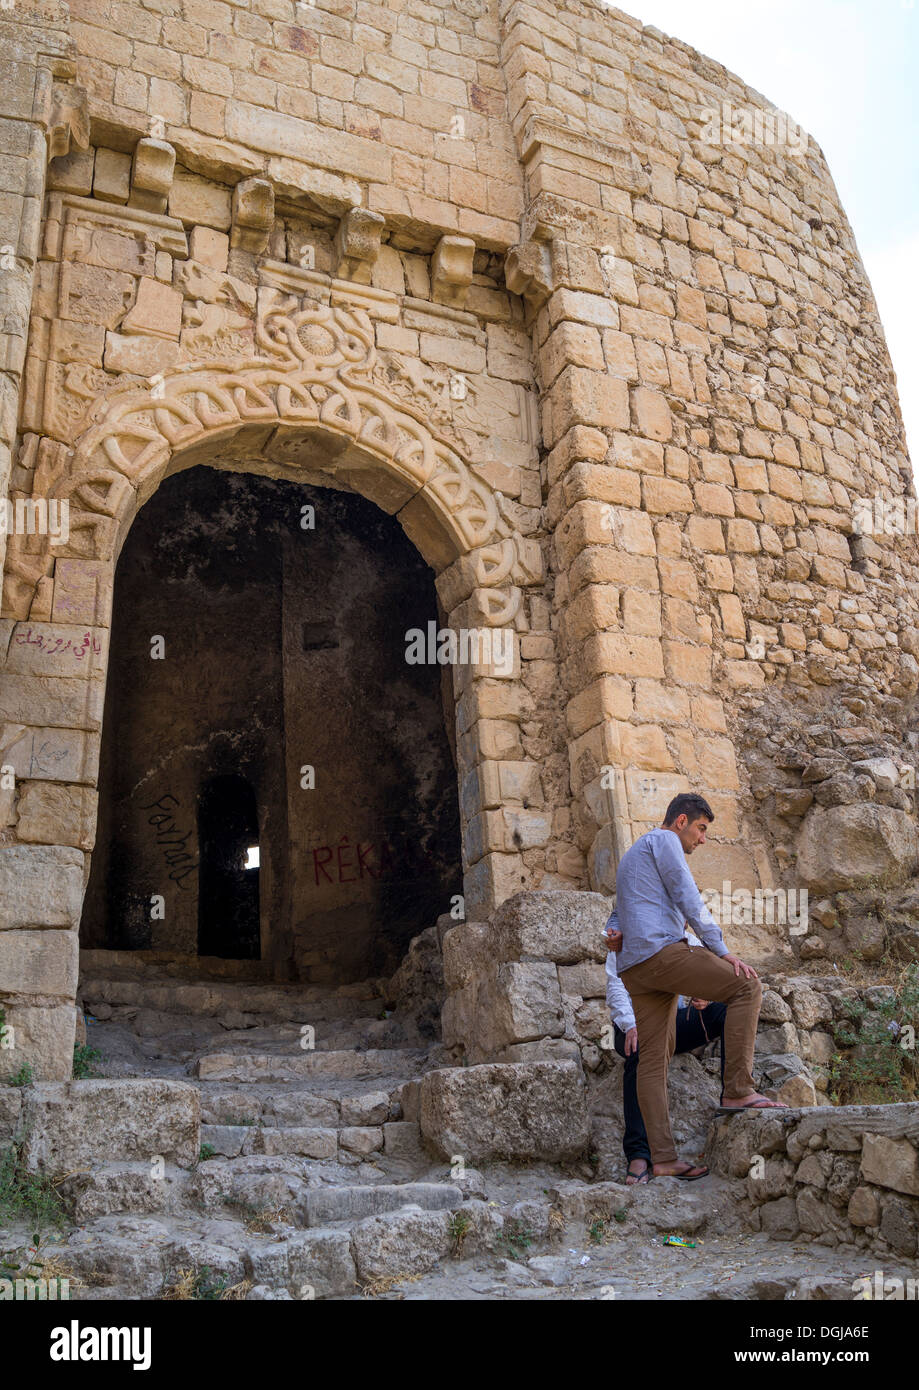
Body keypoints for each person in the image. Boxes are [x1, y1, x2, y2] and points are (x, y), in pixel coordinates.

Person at [609, 792, 784, 1181]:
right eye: (701, 829)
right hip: (661, 954)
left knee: (652, 1062)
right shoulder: (666, 840)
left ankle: (663, 1159)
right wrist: (722, 951)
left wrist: (611, 933)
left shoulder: (632, 856)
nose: (703, 839)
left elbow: (616, 915)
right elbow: (689, 897)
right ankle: (738, 1088)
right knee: (746, 987)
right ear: (681, 821)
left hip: (635, 969)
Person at [605, 918, 726, 1185]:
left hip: (674, 1024)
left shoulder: (692, 945)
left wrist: (705, 996)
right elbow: (616, 989)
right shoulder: (629, 943)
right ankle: (639, 1155)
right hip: (634, 1024)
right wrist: (632, 1024)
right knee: (640, 1050)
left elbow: (716, 979)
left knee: (726, 1011)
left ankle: (733, 1096)